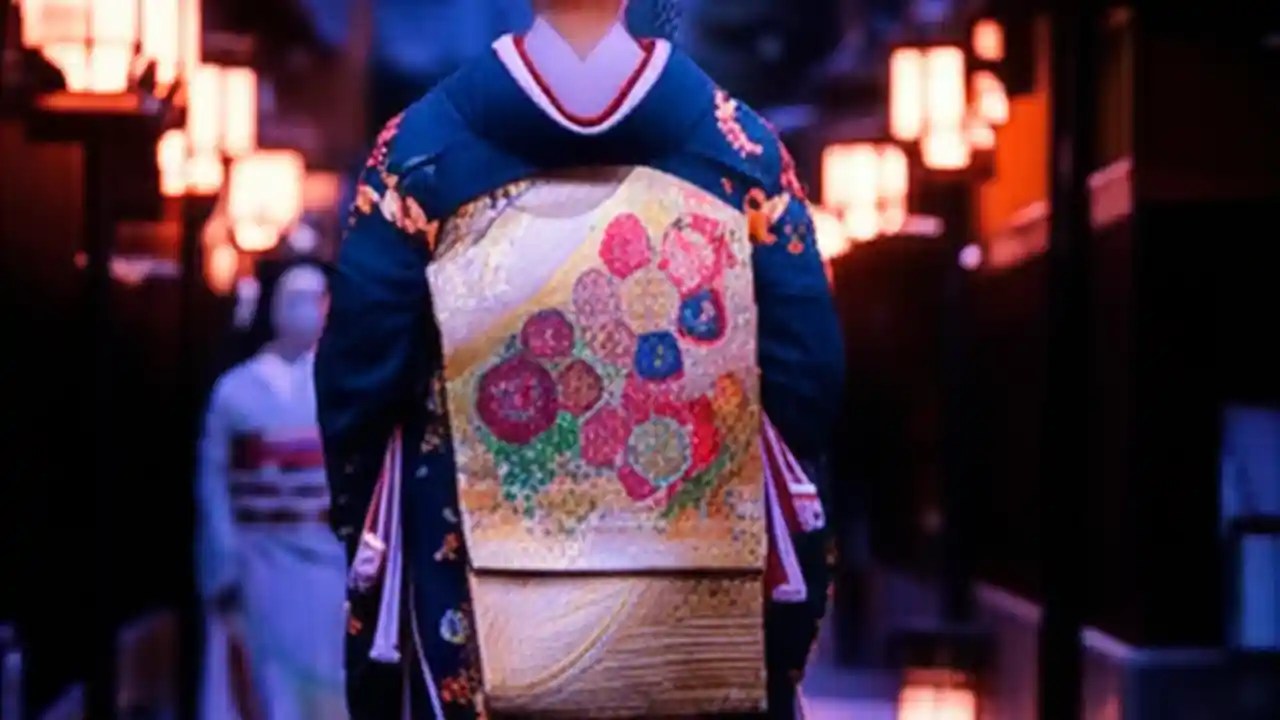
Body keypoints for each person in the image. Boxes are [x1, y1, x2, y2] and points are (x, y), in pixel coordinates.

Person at [315, 1, 845, 718]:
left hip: (468, 581)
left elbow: (358, 378)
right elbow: (805, 377)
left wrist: (362, 515)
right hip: (695, 585)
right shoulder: (739, 151)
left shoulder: (422, 151)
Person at [198, 262, 348, 720]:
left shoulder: (340, 385)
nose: (305, 309)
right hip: (257, 556)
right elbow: (213, 483)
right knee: (257, 678)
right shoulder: (236, 390)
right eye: (294, 298)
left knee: (326, 676)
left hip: (326, 557)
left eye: (315, 298)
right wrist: (222, 563)